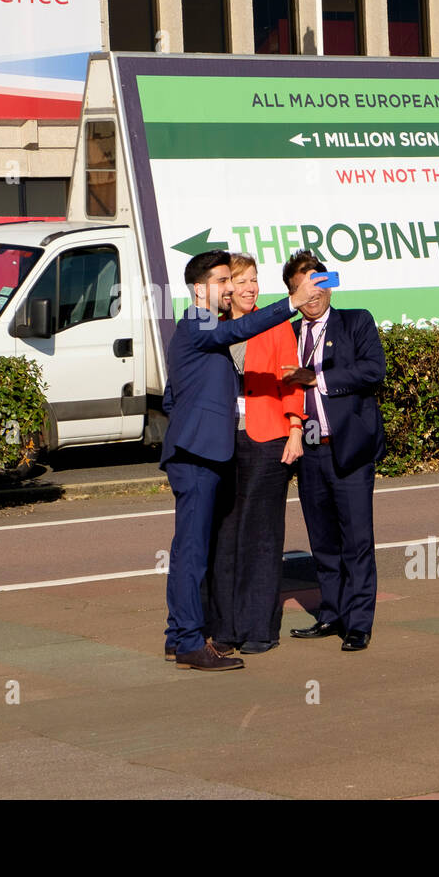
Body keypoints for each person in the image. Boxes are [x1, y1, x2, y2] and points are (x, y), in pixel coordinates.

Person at [161, 250, 325, 671]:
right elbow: (247, 328)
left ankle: (180, 635)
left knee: (193, 550)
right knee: (193, 552)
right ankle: (189, 642)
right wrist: (293, 302)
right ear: (199, 290)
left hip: (205, 452)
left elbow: (176, 393)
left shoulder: (205, 328)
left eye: (232, 281)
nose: (231, 288)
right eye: (222, 281)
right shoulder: (199, 322)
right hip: (197, 456)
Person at [281, 251, 387, 652]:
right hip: (308, 451)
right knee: (322, 541)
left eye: (320, 283)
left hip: (350, 449)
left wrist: (318, 378)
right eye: (305, 287)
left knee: (357, 540)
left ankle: (359, 622)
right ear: (293, 293)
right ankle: (331, 612)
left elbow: (373, 369)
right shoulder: (288, 334)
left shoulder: (356, 321)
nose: (315, 293)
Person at [205, 254, 305, 655]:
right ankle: (226, 629)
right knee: (226, 536)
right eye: (241, 281)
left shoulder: (277, 323)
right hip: (224, 442)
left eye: (253, 281)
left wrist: (295, 429)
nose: (249, 288)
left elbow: (293, 379)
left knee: (261, 537)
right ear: (226, 289)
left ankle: (259, 629)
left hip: (268, 440)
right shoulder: (215, 328)